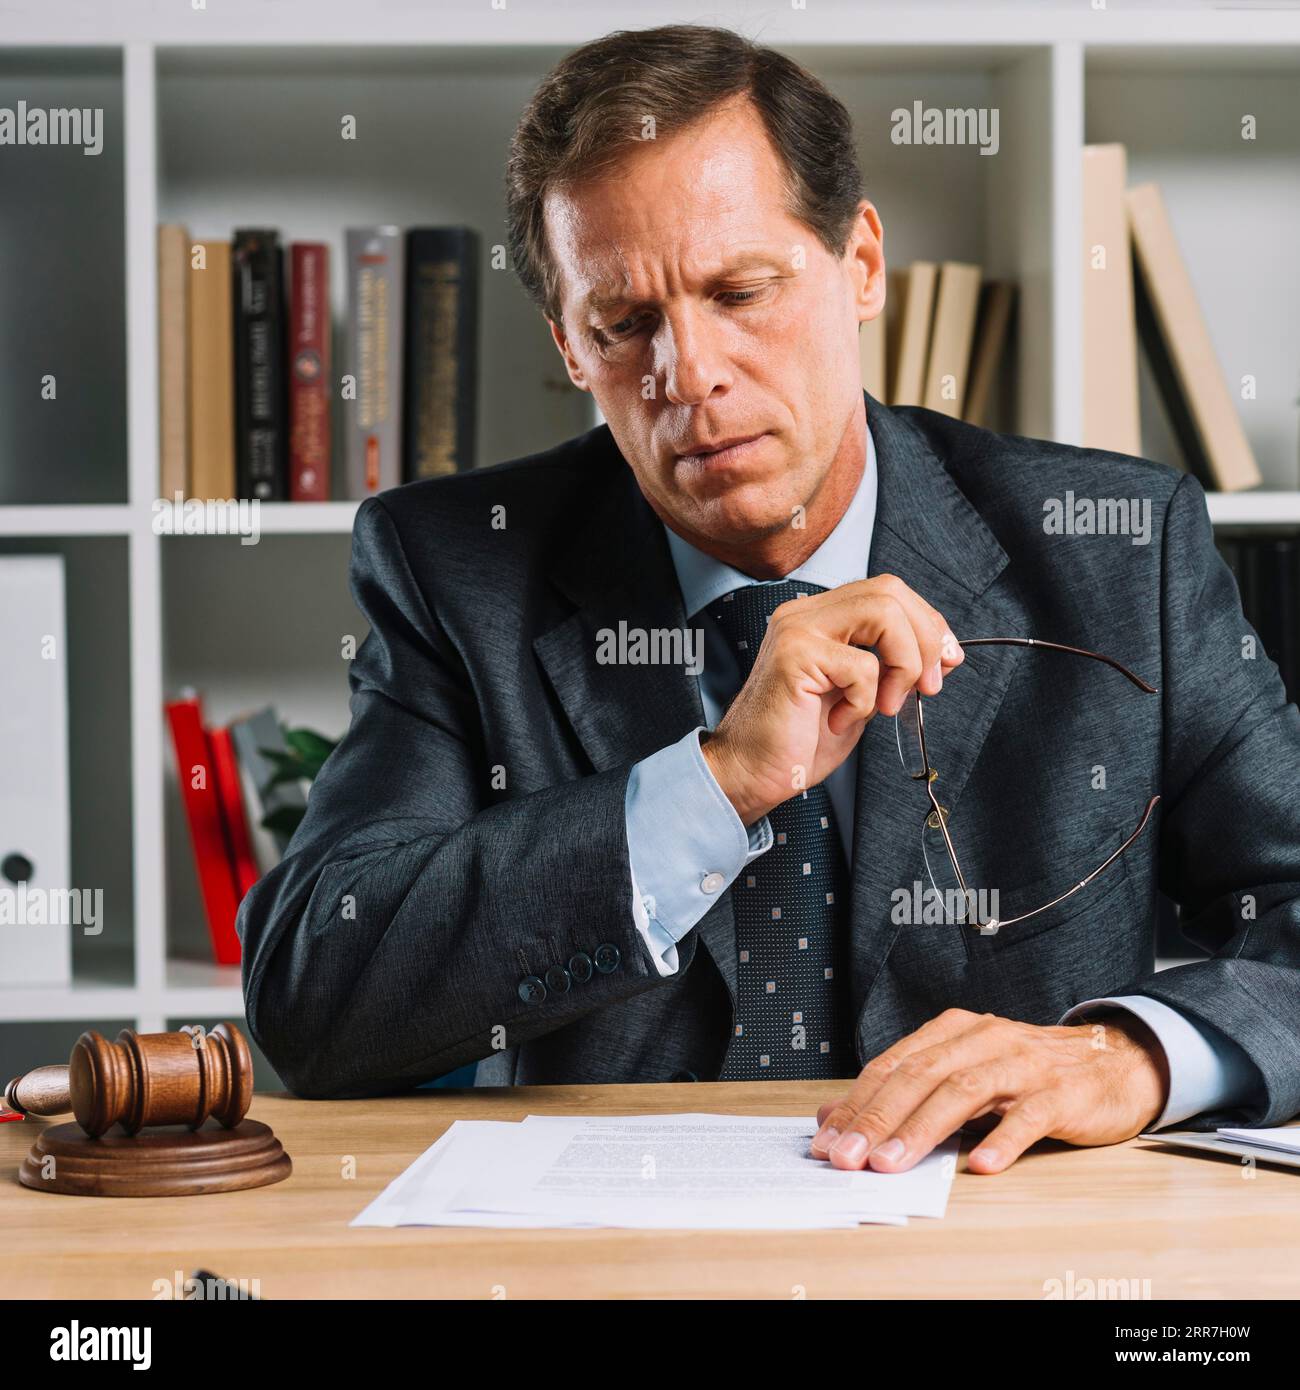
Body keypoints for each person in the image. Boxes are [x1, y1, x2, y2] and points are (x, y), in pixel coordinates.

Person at [237, 24, 1300, 1176]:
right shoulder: (454, 568)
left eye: (740, 291)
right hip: (621, 1266)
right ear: (568, 347)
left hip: (1007, 1253)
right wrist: (709, 785)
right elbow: (318, 993)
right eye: (623, 325)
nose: (689, 376)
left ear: (861, 267)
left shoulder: (1117, 552)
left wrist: (1130, 1057)